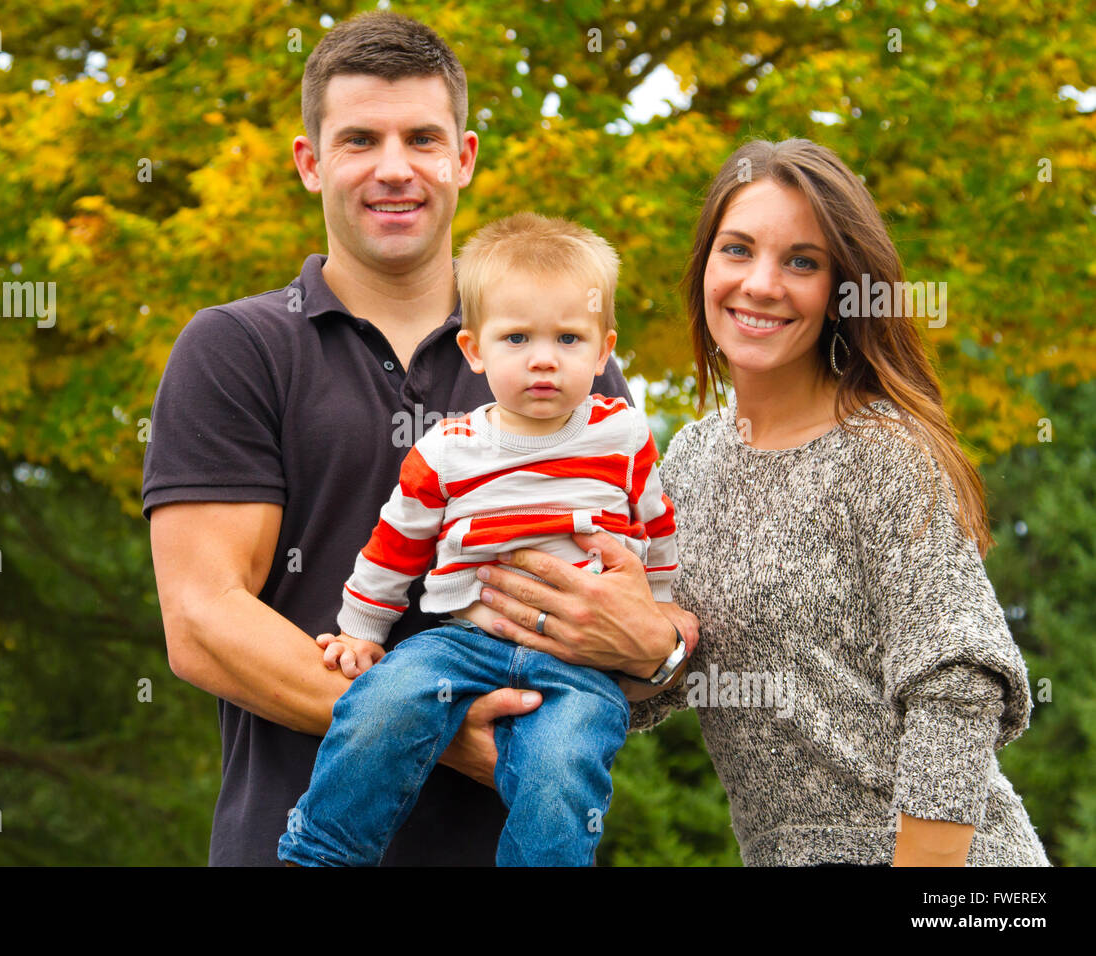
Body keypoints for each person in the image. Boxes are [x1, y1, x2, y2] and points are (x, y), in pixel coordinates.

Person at [142, 11, 687, 866]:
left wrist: (659, 647)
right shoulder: (237, 349)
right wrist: (429, 720)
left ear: (462, 158)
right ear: (309, 161)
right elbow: (204, 621)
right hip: (289, 842)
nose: (394, 169)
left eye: (422, 139)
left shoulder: (564, 361)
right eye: (359, 139)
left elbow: (639, 618)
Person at [620, 138, 1049, 866]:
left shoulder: (883, 453)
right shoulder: (688, 459)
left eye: (802, 262)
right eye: (737, 250)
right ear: (703, 269)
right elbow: (664, 676)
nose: (760, 283)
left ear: (844, 287)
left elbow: (959, 682)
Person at [276, 213, 699, 866]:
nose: (542, 359)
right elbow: (396, 544)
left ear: (603, 348)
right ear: (475, 350)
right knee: (379, 706)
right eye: (517, 338)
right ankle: (324, 851)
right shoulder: (448, 449)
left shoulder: (623, 436)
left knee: (563, 767)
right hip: (462, 641)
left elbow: (656, 524)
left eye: (568, 338)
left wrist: (663, 602)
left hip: (578, 661)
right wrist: (360, 630)